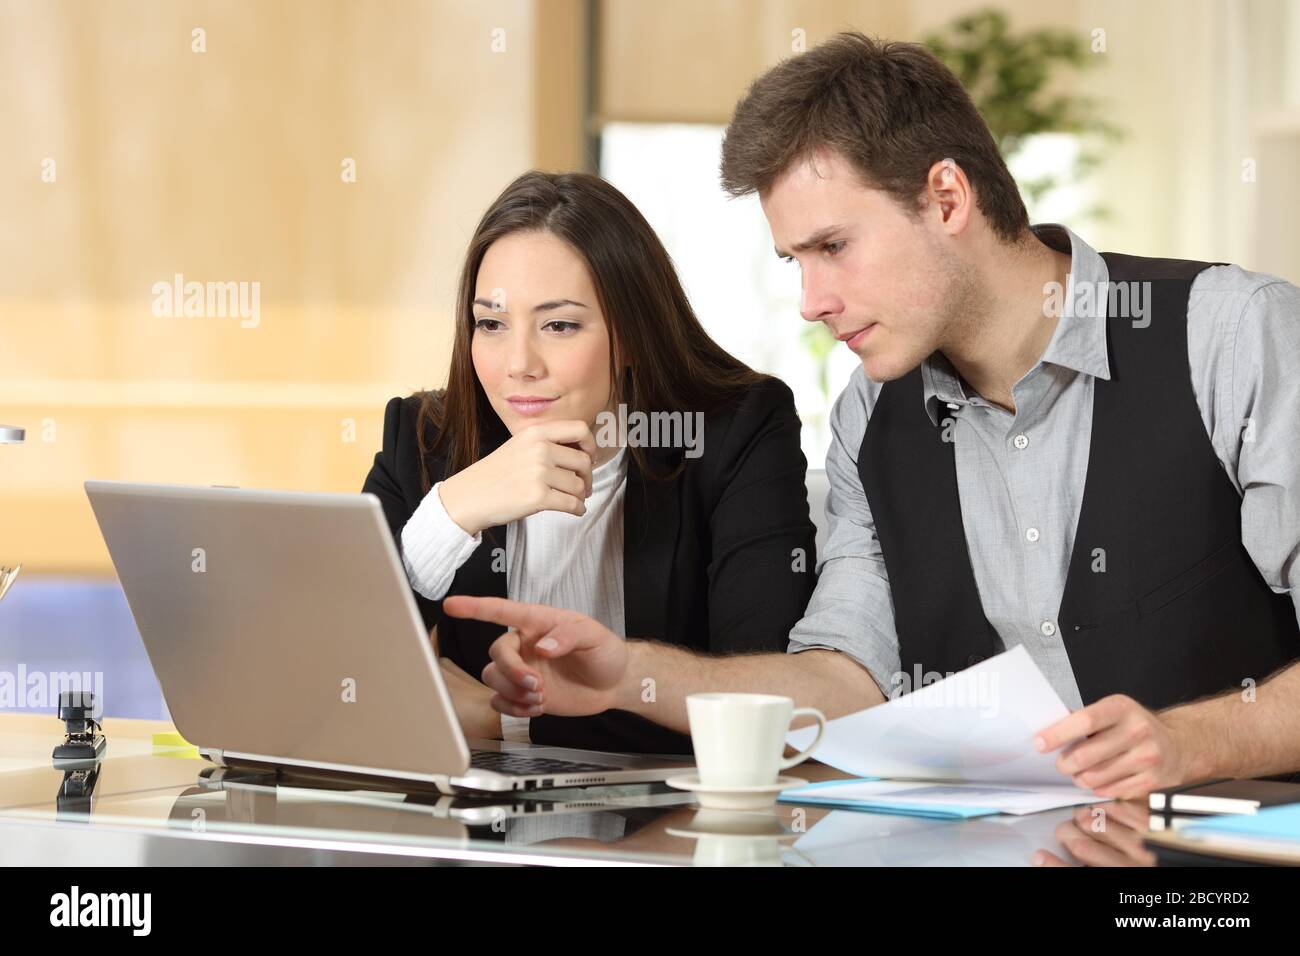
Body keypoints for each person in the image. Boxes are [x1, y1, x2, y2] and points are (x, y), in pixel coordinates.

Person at [447, 33, 1300, 798]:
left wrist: (1190, 742)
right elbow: (845, 684)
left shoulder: (1230, 336)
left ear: (947, 198)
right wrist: (626, 672)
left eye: (833, 247)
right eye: (794, 260)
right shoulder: (870, 416)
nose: (812, 301)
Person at [361, 170, 817, 754]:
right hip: (476, 835)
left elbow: (761, 712)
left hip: (671, 830)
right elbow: (338, 679)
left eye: (559, 325)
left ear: (628, 333)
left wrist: (502, 720)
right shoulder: (423, 439)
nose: (519, 364)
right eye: (492, 324)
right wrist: (452, 513)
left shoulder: (736, 433)